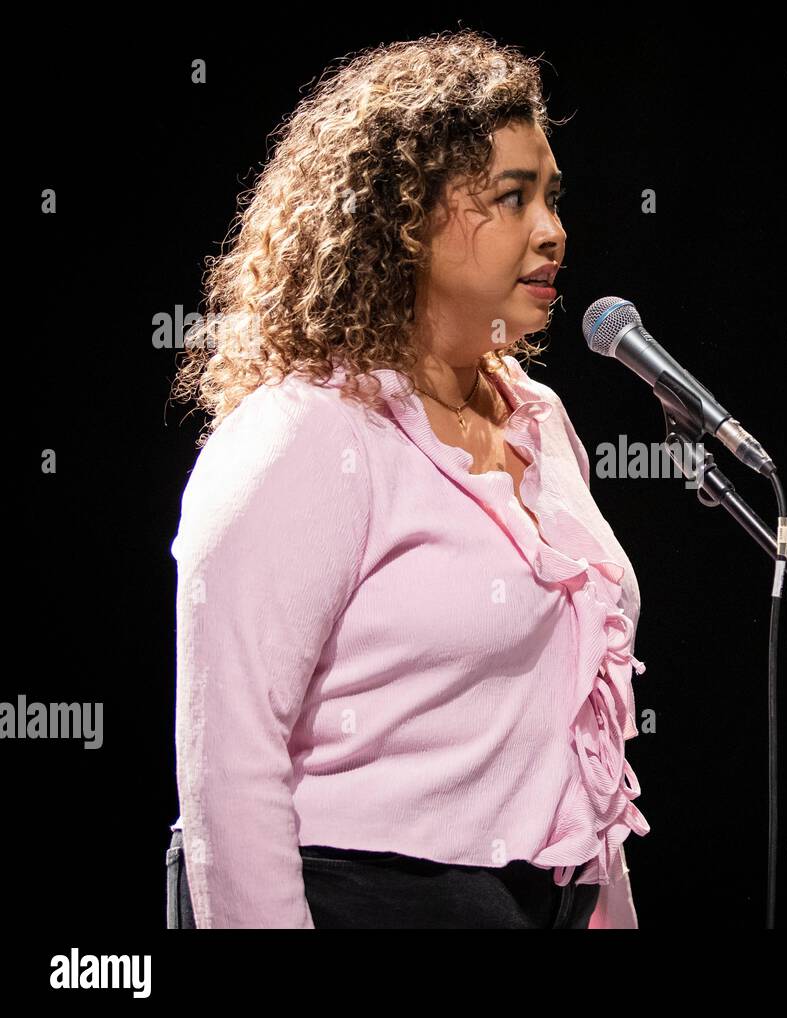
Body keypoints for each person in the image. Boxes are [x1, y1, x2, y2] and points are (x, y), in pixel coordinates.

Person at [165, 29, 647, 929]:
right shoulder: (305, 432)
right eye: (513, 198)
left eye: (552, 196)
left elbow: (575, 735)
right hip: (360, 897)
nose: (553, 230)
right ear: (404, 218)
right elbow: (229, 765)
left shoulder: (539, 423)